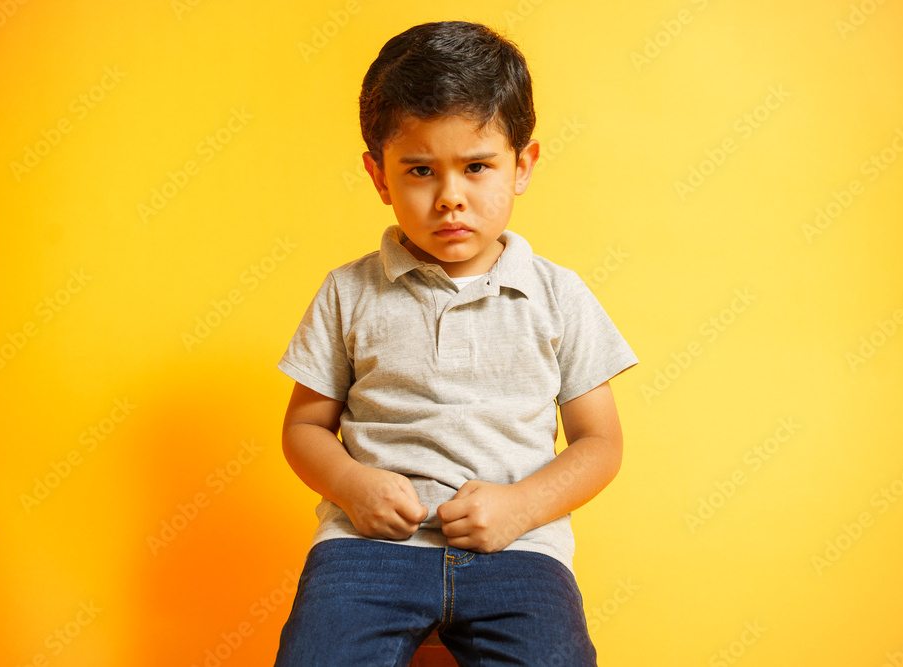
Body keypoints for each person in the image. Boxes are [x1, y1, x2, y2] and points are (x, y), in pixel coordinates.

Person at [273, 20, 639, 666]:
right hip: (367, 551)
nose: (450, 198)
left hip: (517, 550)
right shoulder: (348, 292)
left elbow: (600, 443)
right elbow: (302, 429)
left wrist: (521, 505)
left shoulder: (558, 295)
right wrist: (354, 487)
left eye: (476, 167)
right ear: (379, 176)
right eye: (420, 170)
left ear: (521, 166)